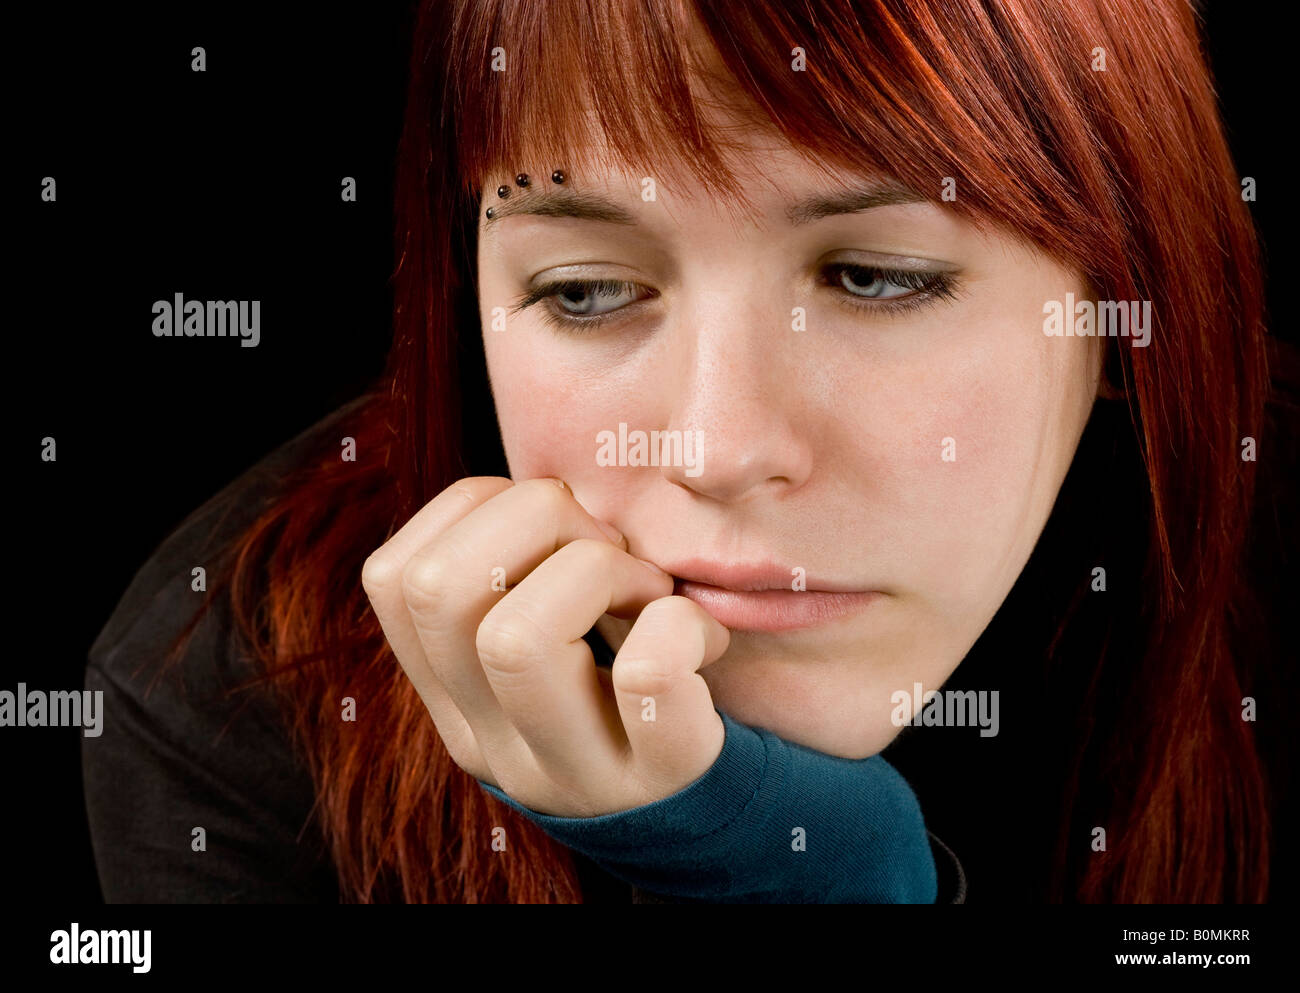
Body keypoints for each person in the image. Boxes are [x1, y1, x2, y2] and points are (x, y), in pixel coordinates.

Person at [84, 0, 1292, 903]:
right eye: (589, 291)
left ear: (1123, 300)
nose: (711, 448)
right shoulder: (240, 693)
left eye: (877, 278)